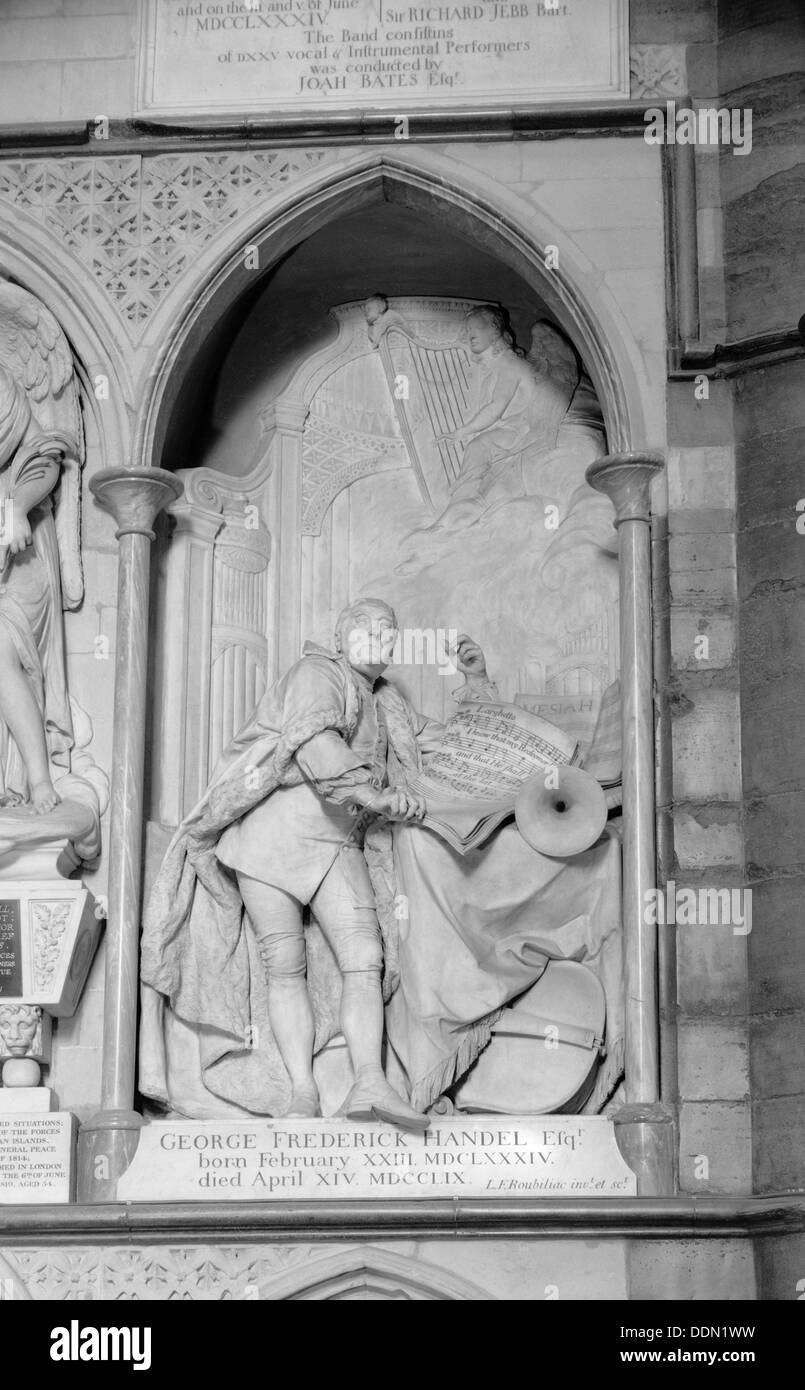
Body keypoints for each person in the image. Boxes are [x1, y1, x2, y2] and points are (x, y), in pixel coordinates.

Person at [141, 597, 493, 1129]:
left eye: (389, 629)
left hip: (336, 842)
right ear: (339, 638)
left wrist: (478, 684)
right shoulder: (316, 672)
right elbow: (313, 740)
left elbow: (445, 749)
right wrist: (373, 797)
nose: (381, 636)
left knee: (365, 957)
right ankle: (301, 1093)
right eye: (368, 627)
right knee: (285, 966)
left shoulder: (387, 701)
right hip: (270, 838)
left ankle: (369, 1081)